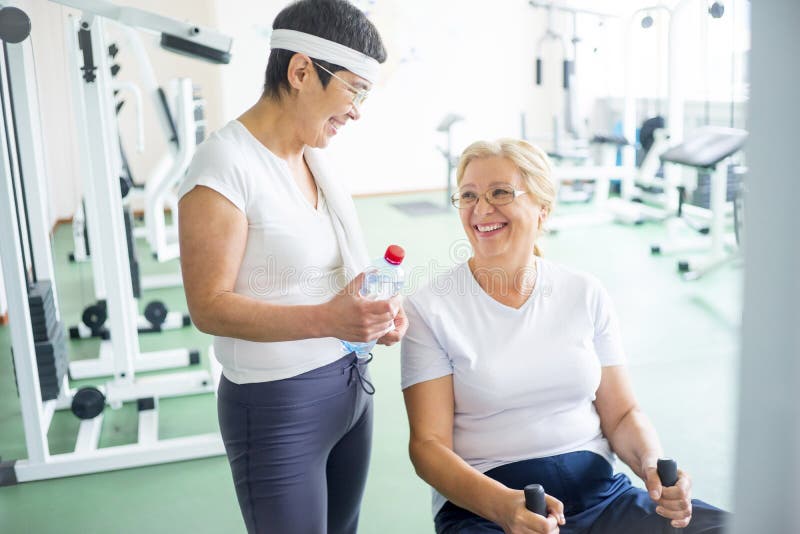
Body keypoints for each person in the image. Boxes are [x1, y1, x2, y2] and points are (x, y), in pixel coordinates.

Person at [400, 138, 729, 534]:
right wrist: (502, 506)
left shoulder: (584, 292)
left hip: (601, 494)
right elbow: (428, 447)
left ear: (543, 207)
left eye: (500, 192)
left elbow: (622, 415)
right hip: (487, 506)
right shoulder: (430, 307)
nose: (481, 209)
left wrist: (652, 467)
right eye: (468, 195)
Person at [177, 1, 407, 532]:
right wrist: (330, 320)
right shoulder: (224, 165)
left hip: (350, 389)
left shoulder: (314, 158)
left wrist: (378, 313)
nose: (357, 110)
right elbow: (208, 307)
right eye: (354, 89)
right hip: (278, 407)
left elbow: (326, 277)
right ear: (301, 71)